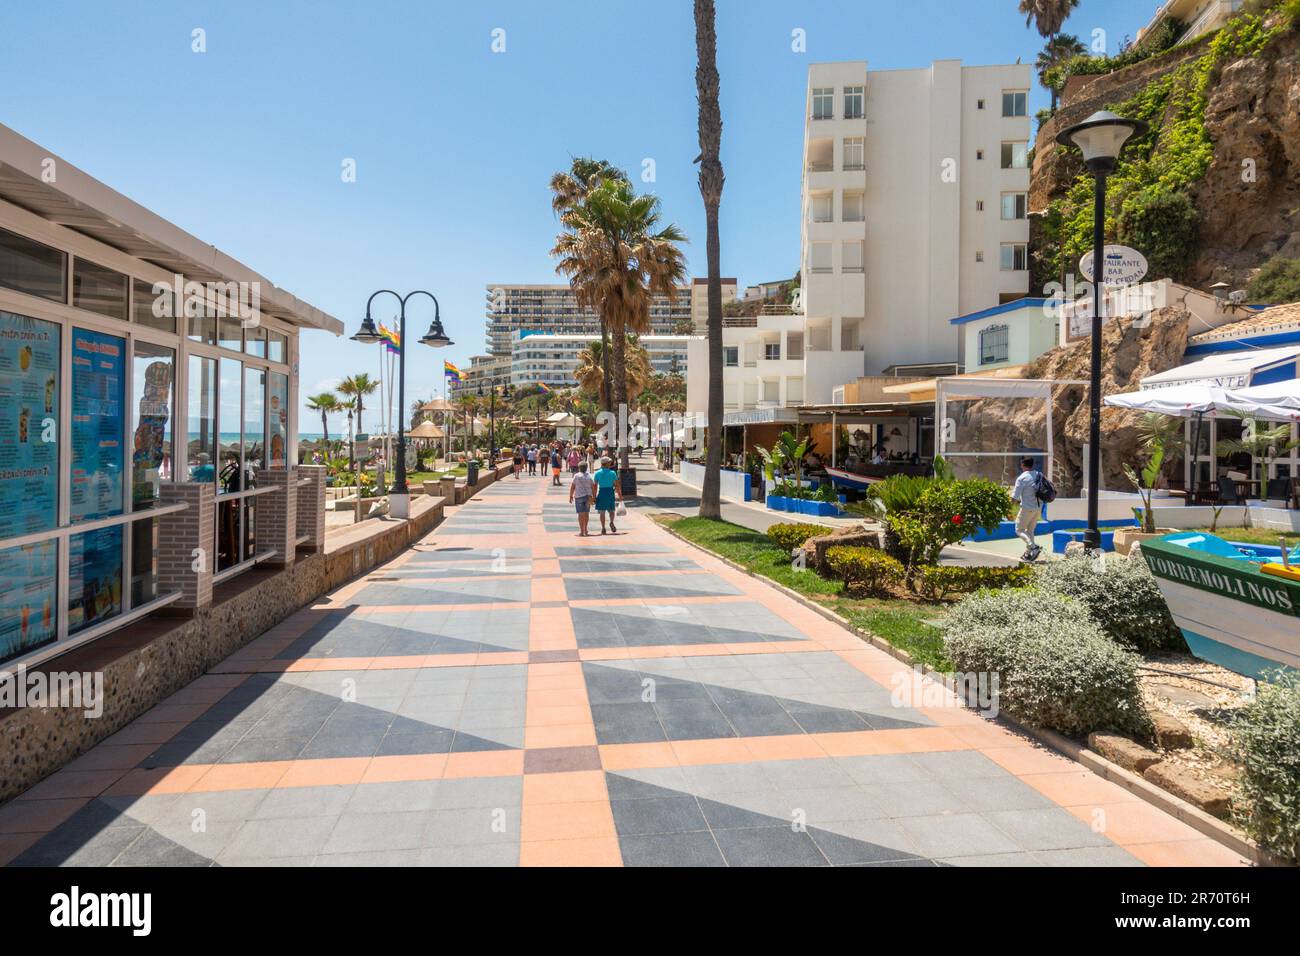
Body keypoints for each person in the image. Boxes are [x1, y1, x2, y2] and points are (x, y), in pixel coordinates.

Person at [1011, 456, 1043, 562]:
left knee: (1019, 530)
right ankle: (1029, 555)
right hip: (1038, 508)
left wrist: (1009, 507)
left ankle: (1033, 547)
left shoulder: (1022, 478)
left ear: (1023, 465)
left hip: (1027, 508)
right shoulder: (1039, 474)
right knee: (1030, 530)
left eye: (1021, 464)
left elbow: (1015, 497)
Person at [592, 456, 623, 534]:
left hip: (602, 492)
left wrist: (594, 496)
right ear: (606, 464)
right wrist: (620, 496)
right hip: (610, 492)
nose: (610, 464)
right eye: (609, 462)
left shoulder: (597, 473)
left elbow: (595, 486)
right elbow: (617, 485)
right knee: (611, 510)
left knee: (602, 512)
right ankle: (611, 522)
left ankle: (603, 527)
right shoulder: (612, 473)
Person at [569, 462, 595, 536]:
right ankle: (586, 529)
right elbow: (593, 487)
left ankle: (581, 531)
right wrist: (593, 497)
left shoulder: (576, 476)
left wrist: (570, 496)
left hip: (579, 497)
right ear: (586, 468)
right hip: (588, 497)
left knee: (581, 514)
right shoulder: (589, 476)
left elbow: (573, 486)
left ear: (579, 468)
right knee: (586, 513)